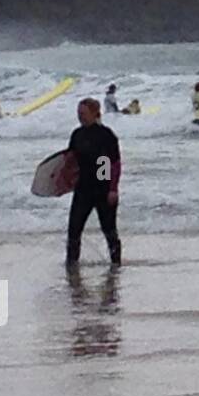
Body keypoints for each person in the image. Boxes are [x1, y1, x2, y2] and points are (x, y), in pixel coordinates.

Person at [65, 98, 123, 270]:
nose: (80, 116)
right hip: (82, 189)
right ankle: (72, 266)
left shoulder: (106, 135)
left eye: (83, 113)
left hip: (103, 190)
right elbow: (70, 162)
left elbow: (113, 164)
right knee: (74, 230)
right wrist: (65, 182)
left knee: (109, 231)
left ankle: (116, 265)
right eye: (78, 113)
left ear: (94, 113)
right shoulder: (77, 135)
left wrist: (112, 189)